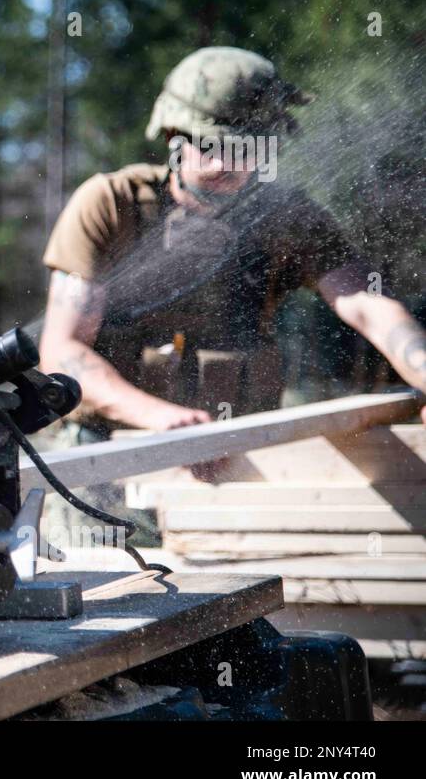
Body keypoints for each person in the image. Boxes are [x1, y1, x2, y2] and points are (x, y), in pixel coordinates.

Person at [36, 46, 426, 537]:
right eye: (213, 146)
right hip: (110, 457)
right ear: (174, 136)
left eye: (248, 148)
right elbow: (62, 351)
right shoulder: (112, 205)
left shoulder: (285, 217)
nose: (230, 163)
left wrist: (422, 367)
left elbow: (368, 304)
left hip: (235, 455)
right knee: (113, 588)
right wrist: (165, 421)